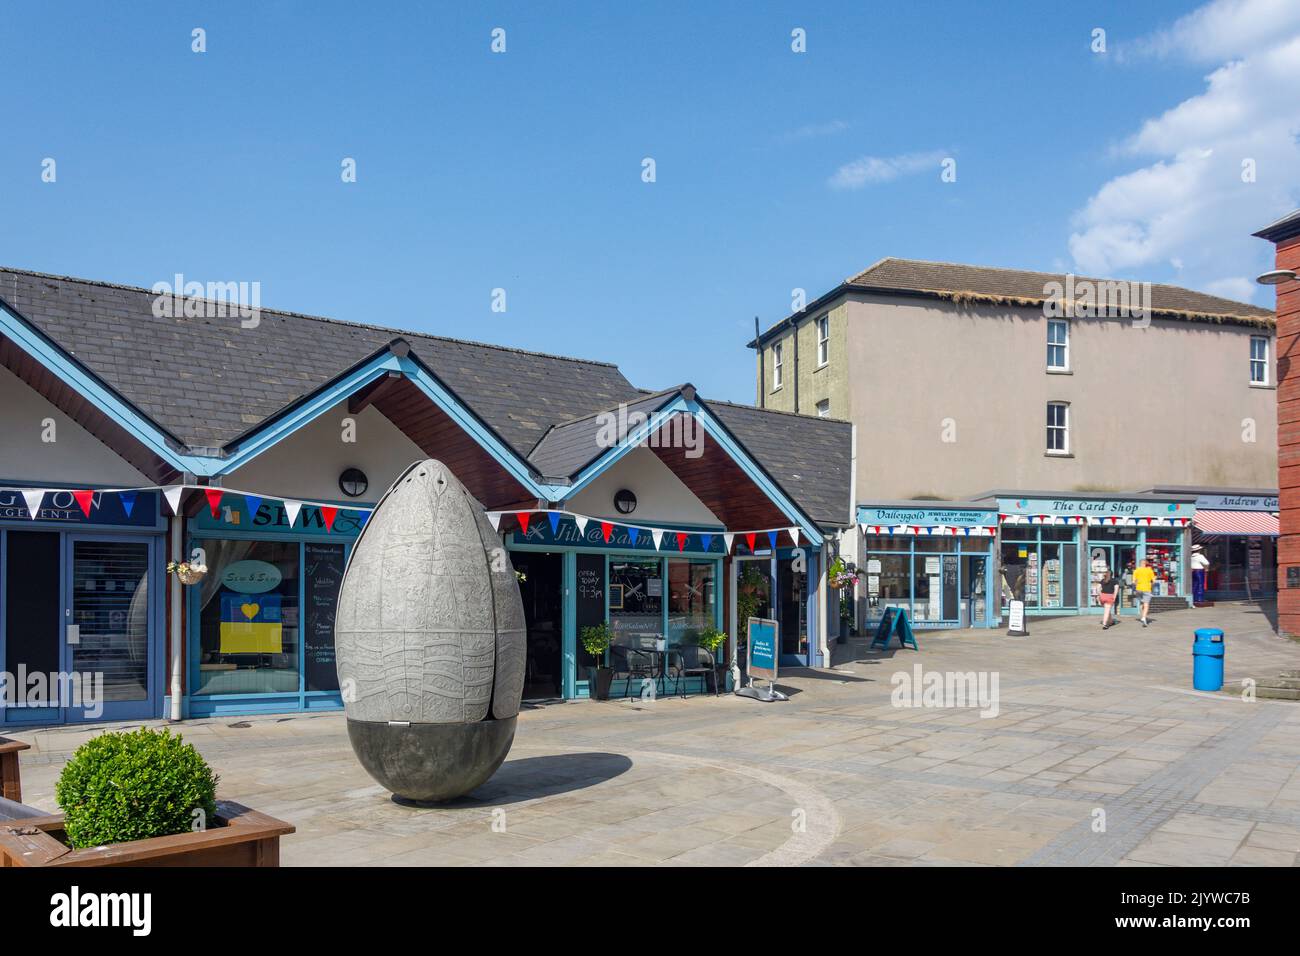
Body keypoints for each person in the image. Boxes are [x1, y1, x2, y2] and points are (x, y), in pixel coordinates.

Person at [1133, 558, 1156, 627]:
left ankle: (1142, 615)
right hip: (1147, 589)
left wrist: (1136, 587)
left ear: (1140, 564)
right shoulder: (1149, 570)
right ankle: (1144, 617)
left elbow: (1134, 581)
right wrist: (1151, 587)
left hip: (1139, 589)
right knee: (1146, 604)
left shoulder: (1136, 570)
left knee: (1141, 603)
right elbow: (1154, 581)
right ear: (1145, 564)